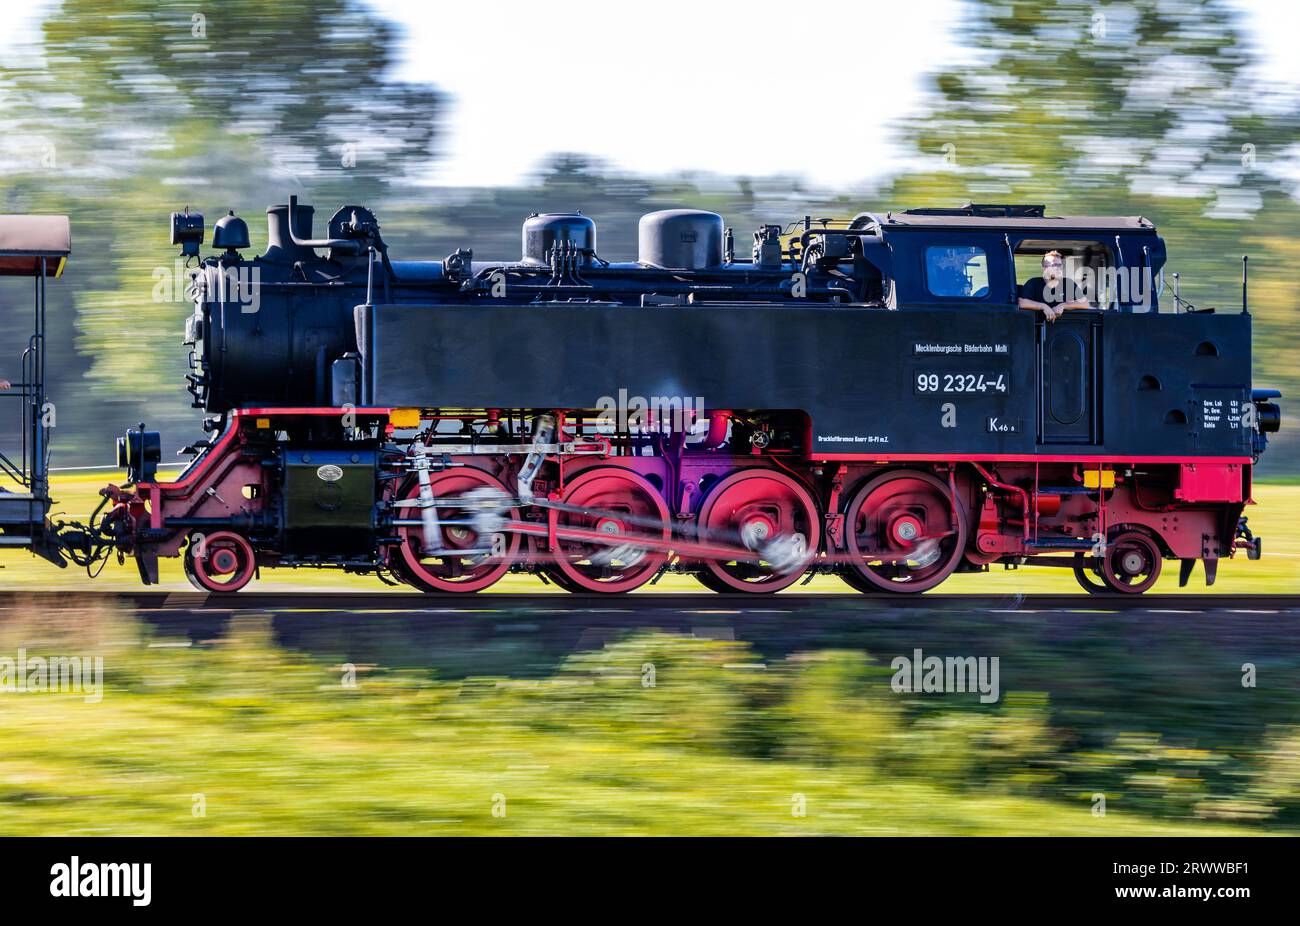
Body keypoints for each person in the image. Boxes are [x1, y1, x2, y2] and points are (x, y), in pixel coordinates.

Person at [1018, 250, 1090, 321]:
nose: (1058, 268)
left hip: (1066, 329)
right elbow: (1022, 302)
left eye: (1059, 265)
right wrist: (1043, 306)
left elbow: (1085, 303)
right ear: (1044, 268)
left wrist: (1063, 305)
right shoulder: (1033, 283)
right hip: (1037, 328)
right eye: (1054, 265)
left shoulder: (1068, 283)